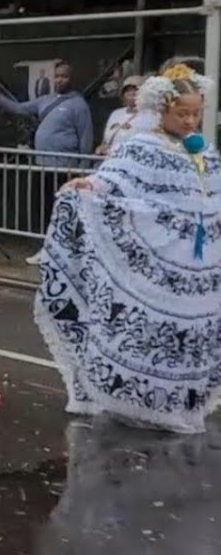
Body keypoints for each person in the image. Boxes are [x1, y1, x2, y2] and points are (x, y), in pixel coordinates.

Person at [34, 57, 219, 434]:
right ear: (162, 110)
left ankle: (180, 402)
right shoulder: (141, 146)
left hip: (198, 266)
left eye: (195, 114)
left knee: (191, 334)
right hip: (158, 263)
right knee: (154, 329)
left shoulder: (201, 150)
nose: (189, 122)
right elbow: (116, 180)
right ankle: (139, 401)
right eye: (182, 114)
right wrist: (89, 189)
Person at [0, 61, 94, 263]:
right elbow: (18, 109)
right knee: (44, 209)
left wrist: (81, 170)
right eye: (57, 76)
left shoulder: (79, 105)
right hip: (43, 165)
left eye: (64, 76)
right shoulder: (45, 99)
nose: (59, 80)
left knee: (62, 211)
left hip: (65, 168)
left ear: (72, 79)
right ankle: (47, 248)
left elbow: (86, 138)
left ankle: (64, 251)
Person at [97, 75, 144, 155]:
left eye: (135, 90)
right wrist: (101, 148)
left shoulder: (148, 117)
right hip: (110, 160)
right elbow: (105, 141)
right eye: (127, 90)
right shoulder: (116, 113)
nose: (131, 93)